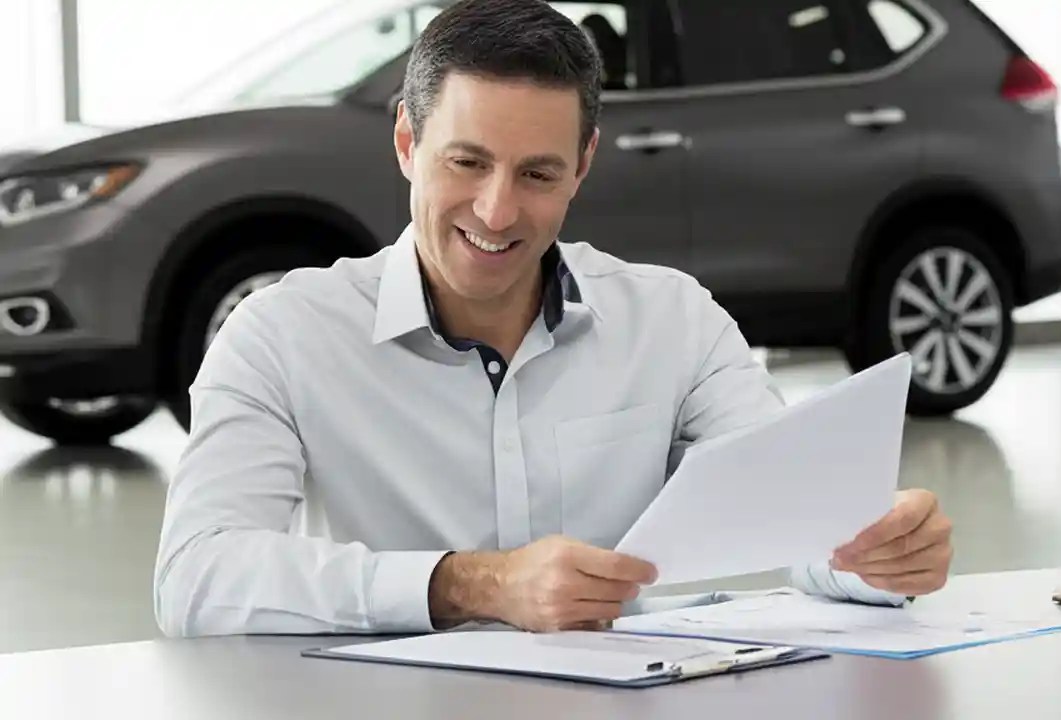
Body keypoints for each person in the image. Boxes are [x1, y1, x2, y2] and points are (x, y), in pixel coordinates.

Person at [153, 0, 953, 637]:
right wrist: (472, 583)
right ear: (406, 141)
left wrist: (873, 555)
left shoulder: (674, 321)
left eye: (537, 172)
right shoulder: (280, 336)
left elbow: (794, 519)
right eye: (466, 162)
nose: (497, 210)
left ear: (584, 165)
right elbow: (196, 577)